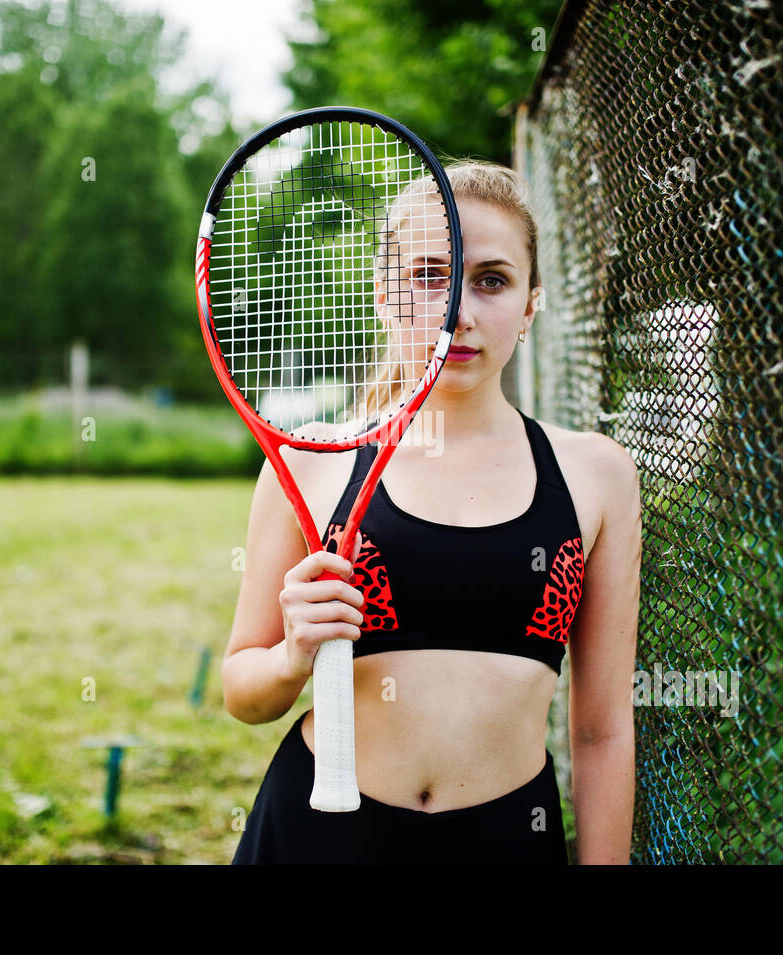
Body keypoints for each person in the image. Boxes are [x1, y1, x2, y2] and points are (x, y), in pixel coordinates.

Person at [223, 160, 640, 864]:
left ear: (531, 305)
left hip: (505, 842)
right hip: (320, 830)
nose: (458, 312)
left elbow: (601, 730)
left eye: (492, 280)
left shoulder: (595, 474)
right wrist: (294, 653)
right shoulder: (310, 461)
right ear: (385, 296)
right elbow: (243, 691)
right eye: (428, 275)